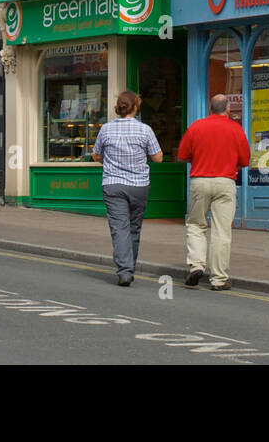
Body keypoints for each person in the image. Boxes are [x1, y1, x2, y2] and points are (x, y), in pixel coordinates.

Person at [176, 95, 250, 291]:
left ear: (210, 108)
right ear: (228, 110)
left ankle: (197, 265)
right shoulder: (236, 129)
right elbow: (244, 160)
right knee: (221, 231)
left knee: (195, 224)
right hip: (226, 181)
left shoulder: (196, 127)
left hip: (200, 180)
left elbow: (182, 156)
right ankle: (218, 279)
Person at [92, 89, 162, 286]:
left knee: (119, 228)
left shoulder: (106, 129)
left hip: (113, 184)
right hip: (139, 185)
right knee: (133, 228)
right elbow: (158, 157)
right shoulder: (145, 130)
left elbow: (96, 156)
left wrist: (109, 160)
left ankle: (125, 271)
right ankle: (128, 267)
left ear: (118, 108)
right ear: (136, 107)